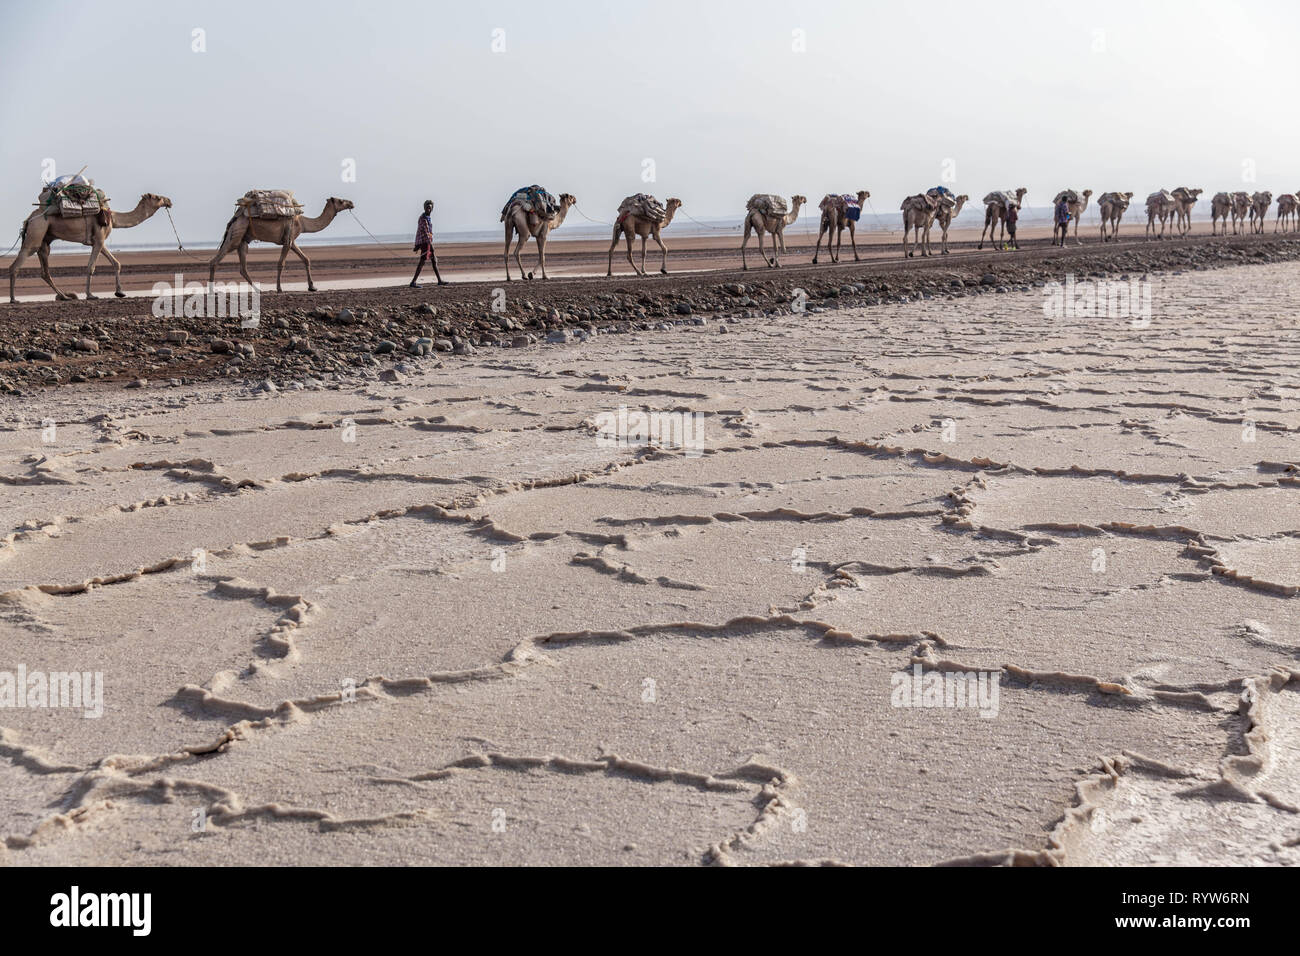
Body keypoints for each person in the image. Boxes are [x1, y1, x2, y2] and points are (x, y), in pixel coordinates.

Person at [411, 200, 447, 287]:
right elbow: (426, 234)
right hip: (425, 243)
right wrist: (431, 246)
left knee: (434, 261)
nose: (429, 209)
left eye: (430, 208)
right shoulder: (423, 219)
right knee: (422, 262)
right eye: (427, 208)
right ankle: (413, 282)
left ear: (432, 209)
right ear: (424, 208)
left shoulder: (427, 218)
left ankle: (439, 280)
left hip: (427, 242)